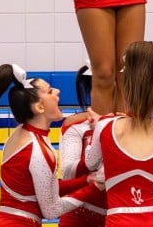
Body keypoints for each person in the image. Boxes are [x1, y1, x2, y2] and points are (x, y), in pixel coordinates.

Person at [0, 64, 86, 225]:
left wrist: (87, 180)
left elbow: (48, 188)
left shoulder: (22, 134)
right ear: (39, 107)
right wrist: (93, 189)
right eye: (49, 91)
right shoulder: (38, 149)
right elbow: (51, 210)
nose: (57, 91)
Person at [85, 41, 153, 226]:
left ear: (127, 81)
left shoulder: (106, 126)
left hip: (119, 220)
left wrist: (95, 131)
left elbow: (90, 162)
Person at [59, 63, 106, 227]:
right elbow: (67, 171)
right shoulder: (76, 124)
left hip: (119, 214)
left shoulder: (130, 122)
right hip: (80, 213)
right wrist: (90, 177)